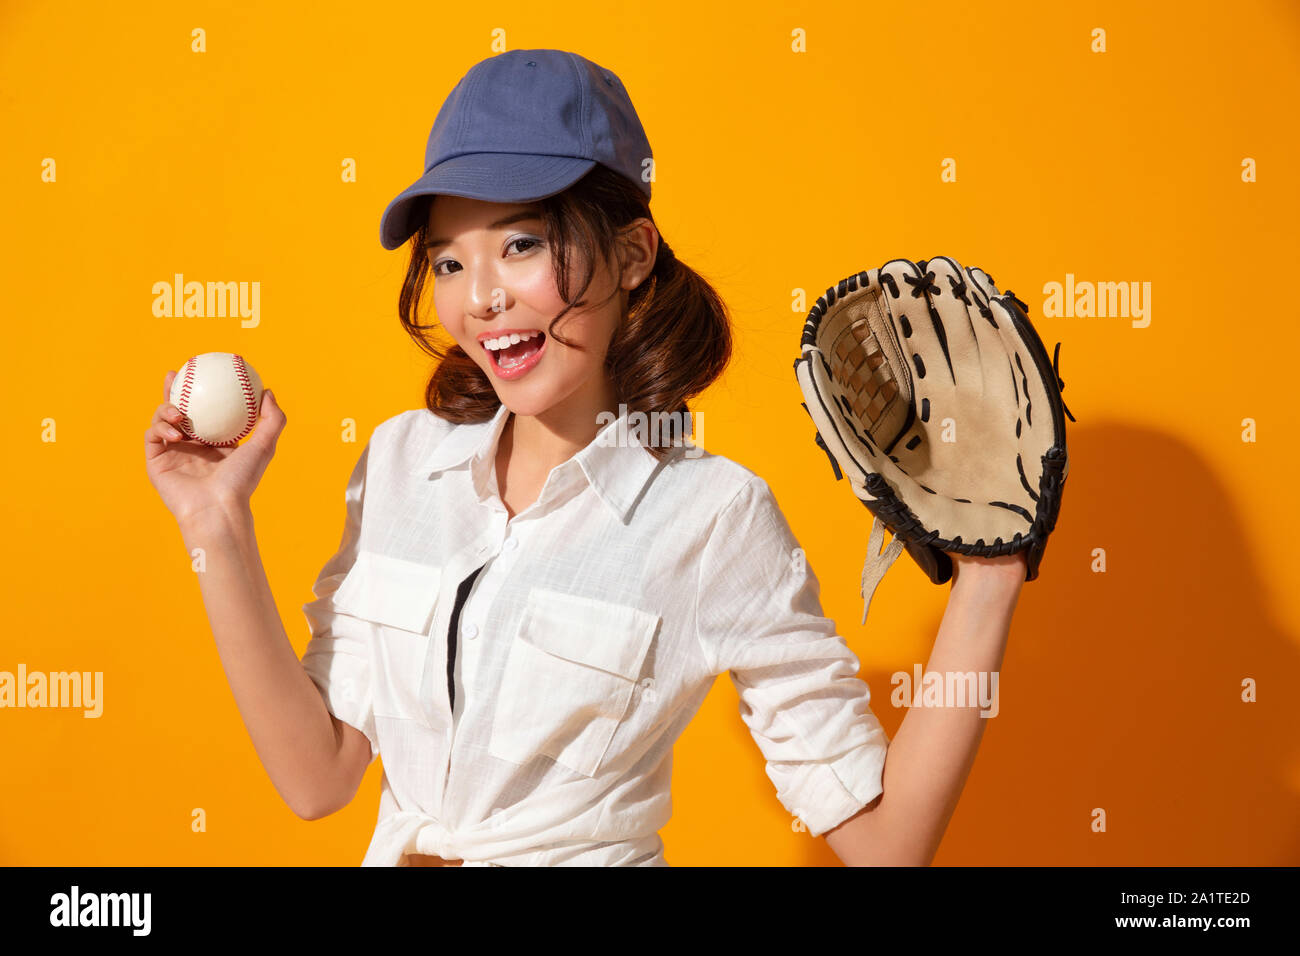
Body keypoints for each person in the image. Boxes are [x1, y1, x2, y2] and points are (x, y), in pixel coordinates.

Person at [144, 48, 1028, 867]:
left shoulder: (714, 515)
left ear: (633, 252)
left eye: (521, 244)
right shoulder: (400, 462)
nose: (481, 300)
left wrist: (989, 578)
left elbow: (886, 843)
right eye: (448, 262)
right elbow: (318, 778)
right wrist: (216, 526)